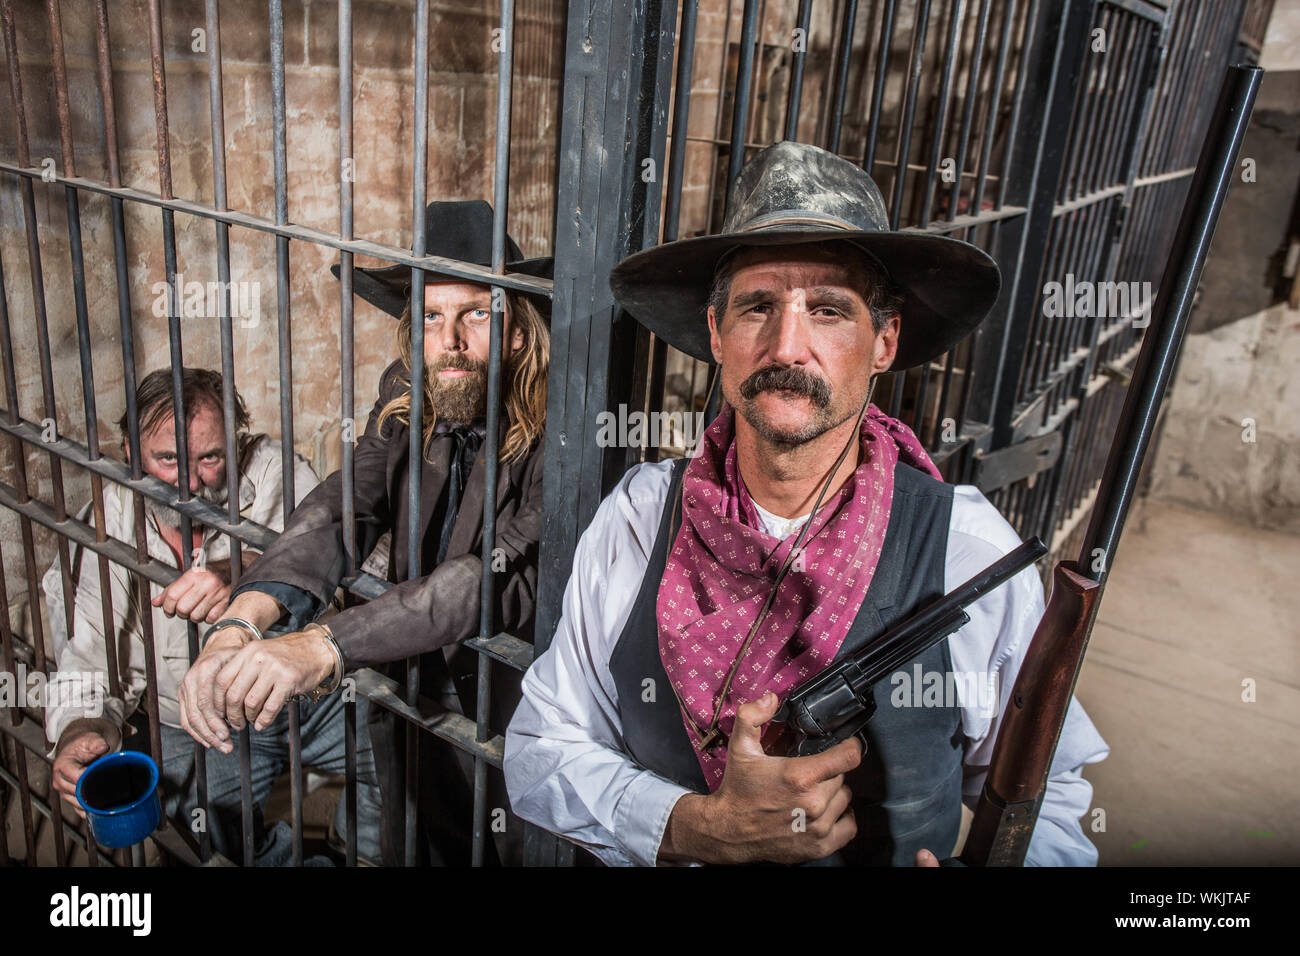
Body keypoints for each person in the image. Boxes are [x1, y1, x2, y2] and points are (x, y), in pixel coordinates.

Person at [505, 141, 1109, 866]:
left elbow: (1047, 791)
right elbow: (542, 750)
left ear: (884, 342)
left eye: (827, 310)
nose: (788, 346)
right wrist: (695, 826)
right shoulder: (639, 519)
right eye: (759, 306)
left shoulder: (966, 548)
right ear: (716, 335)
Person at [177, 200, 551, 866]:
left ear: (518, 332)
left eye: (477, 315)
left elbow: (486, 577)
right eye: (432, 317)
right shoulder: (408, 389)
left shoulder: (561, 428)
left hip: (507, 697)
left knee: (501, 850)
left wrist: (323, 644)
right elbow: (341, 505)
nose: (452, 342)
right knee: (406, 843)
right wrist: (241, 621)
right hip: (405, 674)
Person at [45, 366, 383, 865]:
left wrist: (244, 569)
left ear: (236, 442)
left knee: (404, 759)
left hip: (303, 697)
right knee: (205, 843)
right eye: (166, 459)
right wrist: (78, 730)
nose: (187, 482)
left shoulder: (275, 472)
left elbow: (335, 577)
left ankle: (354, 851)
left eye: (209, 458)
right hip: (192, 720)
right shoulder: (107, 520)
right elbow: (89, 652)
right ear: (127, 449)